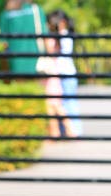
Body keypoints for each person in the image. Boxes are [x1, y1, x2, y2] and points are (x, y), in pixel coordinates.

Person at [47, 9, 82, 137]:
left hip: (65, 73)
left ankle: (74, 130)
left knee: (68, 102)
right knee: (63, 102)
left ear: (61, 22)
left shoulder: (63, 36)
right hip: (63, 74)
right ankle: (67, 131)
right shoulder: (63, 35)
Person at [0, 0, 48, 76]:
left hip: (20, 64)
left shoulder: (5, 14)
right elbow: (46, 37)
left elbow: (3, 43)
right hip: (36, 64)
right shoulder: (37, 10)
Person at [41, 37, 75, 139]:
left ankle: (69, 131)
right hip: (51, 84)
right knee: (51, 109)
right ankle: (55, 133)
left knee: (57, 108)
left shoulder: (53, 56)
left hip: (53, 84)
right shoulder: (51, 56)